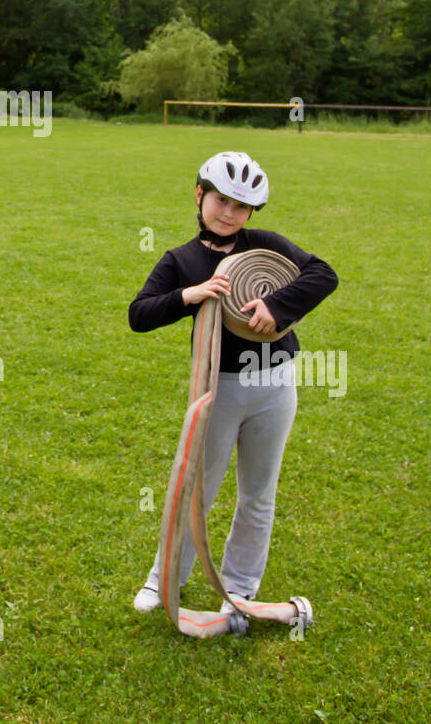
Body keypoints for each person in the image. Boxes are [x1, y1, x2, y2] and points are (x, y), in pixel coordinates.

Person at [128, 150, 338, 613]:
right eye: (221, 200)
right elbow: (138, 315)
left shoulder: (265, 245)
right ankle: (164, 578)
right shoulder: (180, 260)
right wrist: (190, 295)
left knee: (259, 491)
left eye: (240, 207)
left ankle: (240, 586)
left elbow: (324, 274)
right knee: (196, 488)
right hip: (218, 388)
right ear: (199, 195)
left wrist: (277, 306)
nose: (229, 214)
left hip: (274, 385)